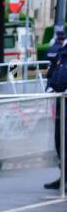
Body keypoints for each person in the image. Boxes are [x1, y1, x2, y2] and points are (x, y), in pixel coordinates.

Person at [43, 27, 67, 189]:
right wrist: (50, 88)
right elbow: (52, 74)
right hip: (60, 102)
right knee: (60, 141)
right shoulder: (62, 52)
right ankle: (63, 176)